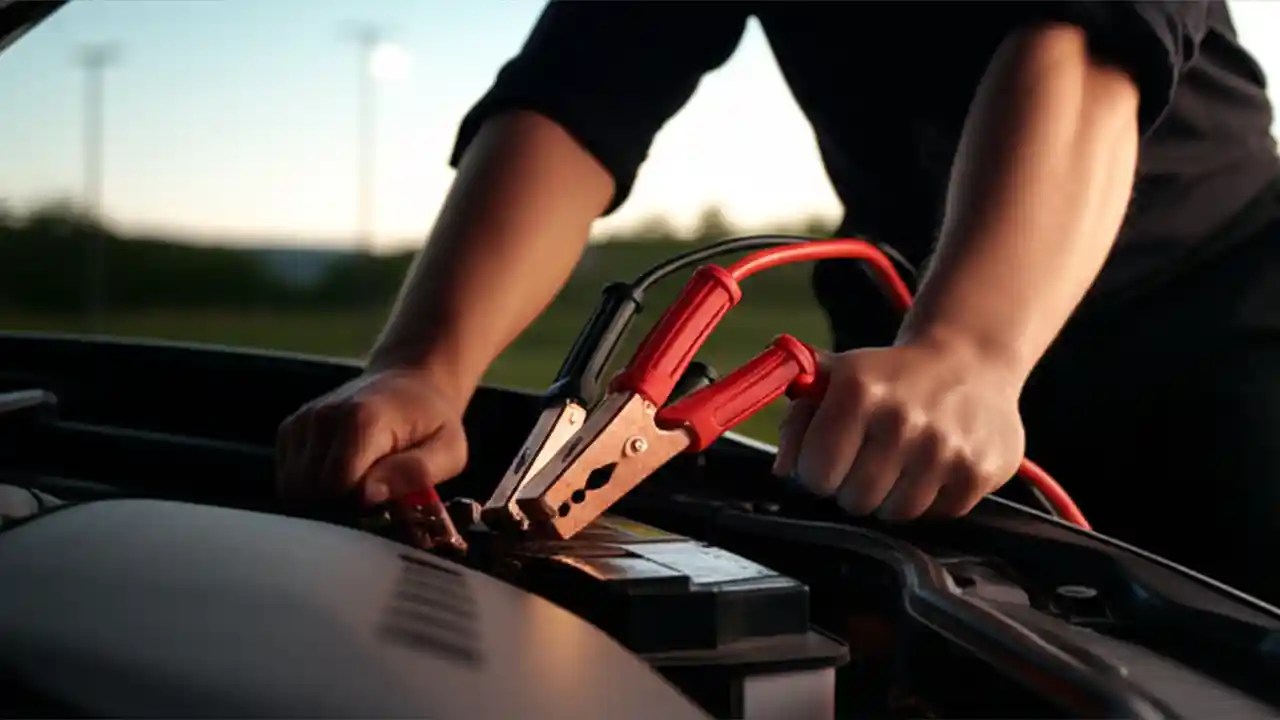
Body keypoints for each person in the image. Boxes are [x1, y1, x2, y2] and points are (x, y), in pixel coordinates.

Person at [276, 2, 1280, 604]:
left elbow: (1089, 38)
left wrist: (969, 349)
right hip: (906, 362)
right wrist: (423, 365)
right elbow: (575, 96)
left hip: (1217, 338)